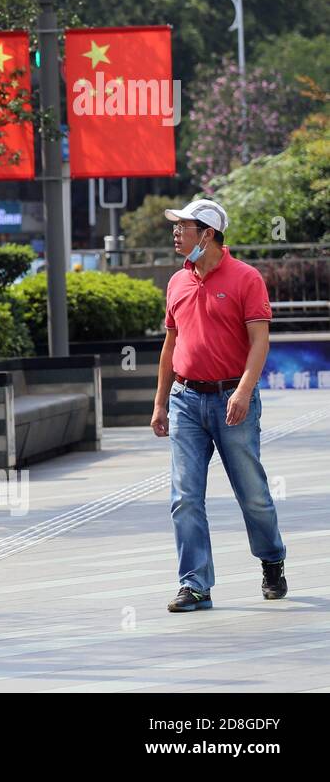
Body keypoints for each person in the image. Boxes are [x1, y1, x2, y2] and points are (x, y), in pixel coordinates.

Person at [150, 199, 287, 612]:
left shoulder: (246, 278)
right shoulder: (177, 282)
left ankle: (272, 558)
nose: (175, 234)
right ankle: (195, 585)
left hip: (233, 400)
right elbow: (170, 345)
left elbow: (259, 341)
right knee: (185, 496)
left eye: (183, 227)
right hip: (186, 401)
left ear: (206, 234)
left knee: (253, 494)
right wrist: (160, 403)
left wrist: (243, 392)